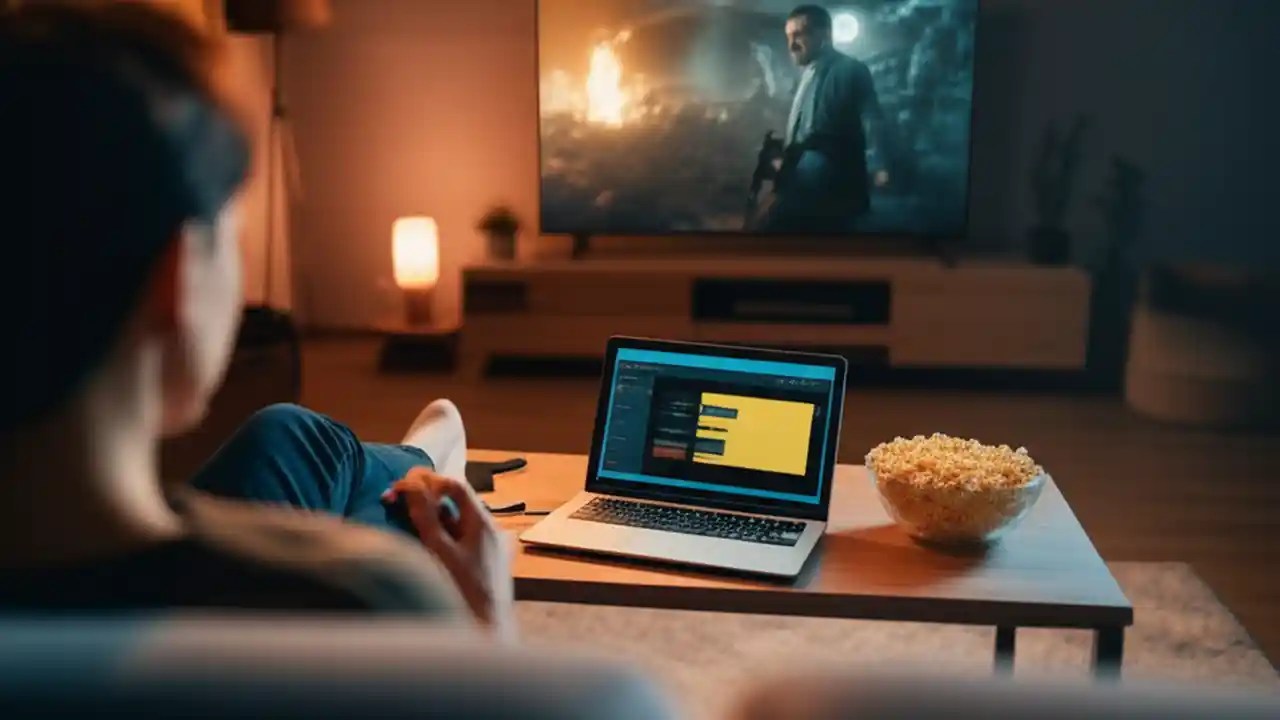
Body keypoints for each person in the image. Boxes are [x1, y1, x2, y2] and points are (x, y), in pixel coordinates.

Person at [0, 3, 512, 635]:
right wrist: (488, 619)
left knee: (289, 432)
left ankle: (419, 458)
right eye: (232, 236)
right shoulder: (372, 595)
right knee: (337, 476)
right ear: (178, 281)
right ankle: (424, 469)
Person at [762, 4, 897, 234]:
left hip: (831, 182)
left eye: (798, 35)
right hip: (802, 179)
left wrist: (879, 165)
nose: (791, 46)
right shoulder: (807, 76)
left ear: (823, 34)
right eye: (788, 37)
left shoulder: (850, 69)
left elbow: (871, 118)